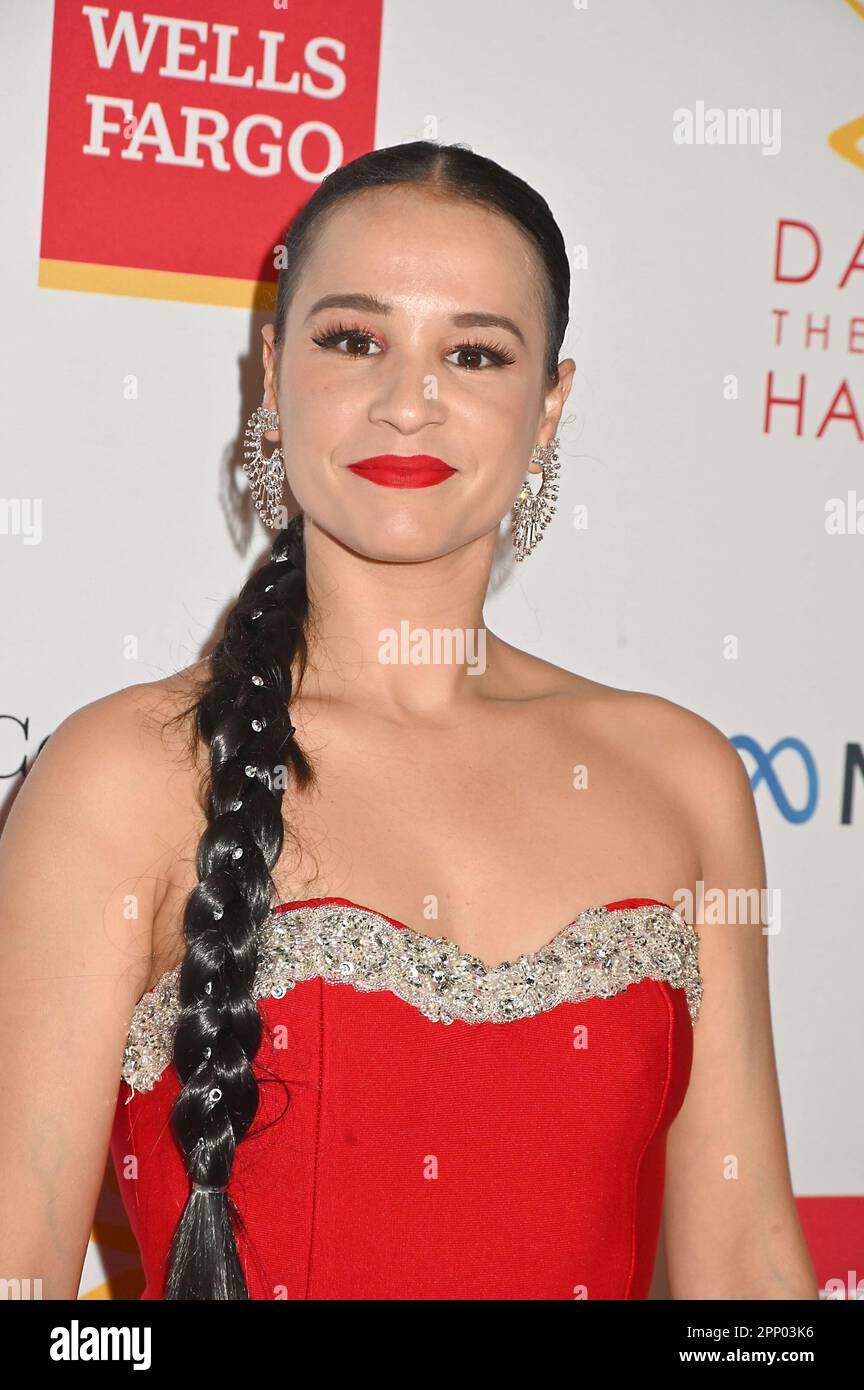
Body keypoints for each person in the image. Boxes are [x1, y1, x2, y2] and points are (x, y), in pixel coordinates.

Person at [0, 140, 818, 1301]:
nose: (408, 402)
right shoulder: (122, 776)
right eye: (355, 339)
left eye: (474, 353)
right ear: (273, 371)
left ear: (551, 406)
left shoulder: (681, 778)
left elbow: (746, 1268)